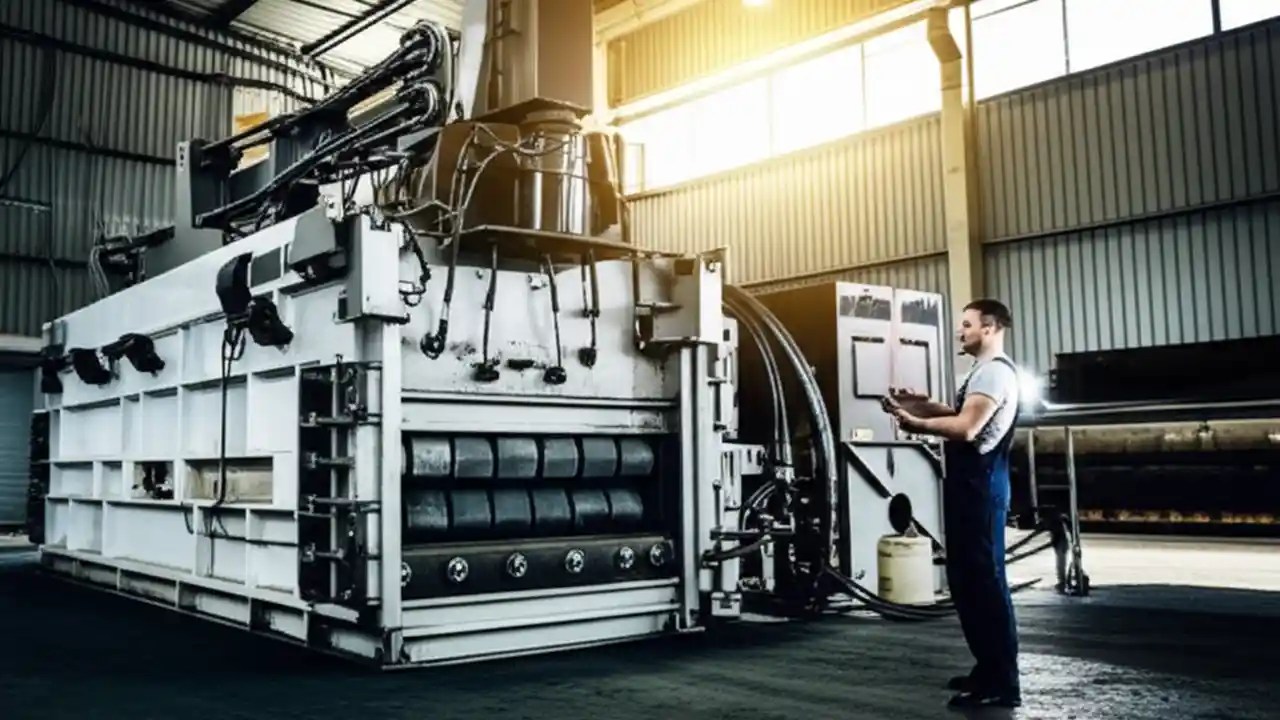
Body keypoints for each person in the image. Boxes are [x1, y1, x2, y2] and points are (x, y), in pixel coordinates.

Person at [881, 298, 1022, 710]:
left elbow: (968, 426)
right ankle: (987, 668)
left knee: (985, 585)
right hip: (971, 489)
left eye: (967, 324)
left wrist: (917, 424)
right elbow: (961, 413)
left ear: (990, 328)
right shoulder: (982, 373)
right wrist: (924, 405)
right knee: (967, 583)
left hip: (981, 489)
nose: (960, 331)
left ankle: (1002, 681)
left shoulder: (994, 374)